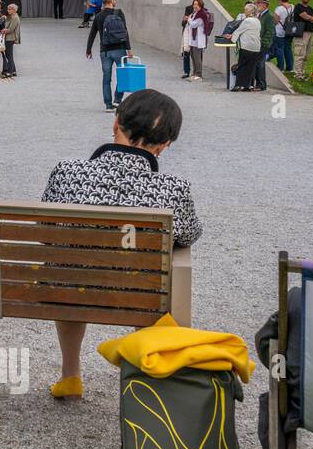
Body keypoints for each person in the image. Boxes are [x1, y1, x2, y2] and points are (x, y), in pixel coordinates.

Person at [42, 89, 201, 398]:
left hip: (70, 289)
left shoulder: (66, 172)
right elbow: (188, 235)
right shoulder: (174, 189)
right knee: (151, 276)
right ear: (164, 145)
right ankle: (146, 384)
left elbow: (46, 228)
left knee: (69, 270)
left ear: (116, 123)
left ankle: (71, 376)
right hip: (137, 294)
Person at [87, 0, 132, 111]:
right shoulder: (119, 13)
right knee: (123, 75)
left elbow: (92, 34)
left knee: (106, 78)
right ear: (111, 1)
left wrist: (88, 50)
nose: (115, 0)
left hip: (105, 51)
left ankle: (108, 105)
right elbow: (125, 32)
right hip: (120, 50)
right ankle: (117, 100)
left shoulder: (98, 16)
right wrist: (129, 49)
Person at [230, 2, 262, 91]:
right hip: (256, 47)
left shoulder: (247, 21)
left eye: (246, 10)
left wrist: (232, 39)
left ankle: (238, 85)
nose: (245, 11)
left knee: (241, 65)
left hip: (246, 46)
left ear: (251, 11)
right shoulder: (257, 21)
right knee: (250, 67)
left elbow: (239, 31)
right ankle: (247, 86)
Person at [291, 0, 313, 79]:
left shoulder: (310, 8)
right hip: (301, 33)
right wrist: (311, 18)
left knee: (306, 54)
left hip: (310, 32)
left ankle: (302, 73)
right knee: (299, 53)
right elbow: (305, 17)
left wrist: (311, 18)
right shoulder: (298, 7)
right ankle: (297, 74)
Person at [182, 0, 208, 81]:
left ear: (200, 5)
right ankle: (194, 73)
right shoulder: (194, 13)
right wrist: (189, 18)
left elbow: (193, 24)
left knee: (197, 58)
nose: (195, 6)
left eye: (197, 4)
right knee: (193, 57)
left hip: (198, 40)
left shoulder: (202, 14)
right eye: (194, 4)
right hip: (193, 39)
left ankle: (199, 74)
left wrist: (188, 19)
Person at [254, 0, 275, 91]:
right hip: (258, 43)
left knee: (260, 63)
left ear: (265, 5)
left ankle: (261, 84)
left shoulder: (269, 16)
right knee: (257, 63)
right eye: (257, 3)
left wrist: (263, 42)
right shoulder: (260, 14)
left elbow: (270, 31)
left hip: (263, 44)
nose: (257, 5)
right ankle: (258, 83)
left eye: (259, 3)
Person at [273, 0, 296, 73]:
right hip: (290, 31)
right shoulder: (293, 7)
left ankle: (281, 67)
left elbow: (275, 21)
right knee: (288, 48)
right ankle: (290, 67)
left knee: (280, 48)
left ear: (280, 0)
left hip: (280, 31)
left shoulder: (279, 8)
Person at [1, 3, 20, 77]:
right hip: (9, 37)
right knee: (9, 55)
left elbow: (11, 29)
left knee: (9, 55)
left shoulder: (15, 18)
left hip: (10, 38)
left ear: (14, 10)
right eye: (8, 9)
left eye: (10, 9)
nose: (8, 10)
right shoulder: (12, 16)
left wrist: (4, 30)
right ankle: (14, 71)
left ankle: (10, 72)